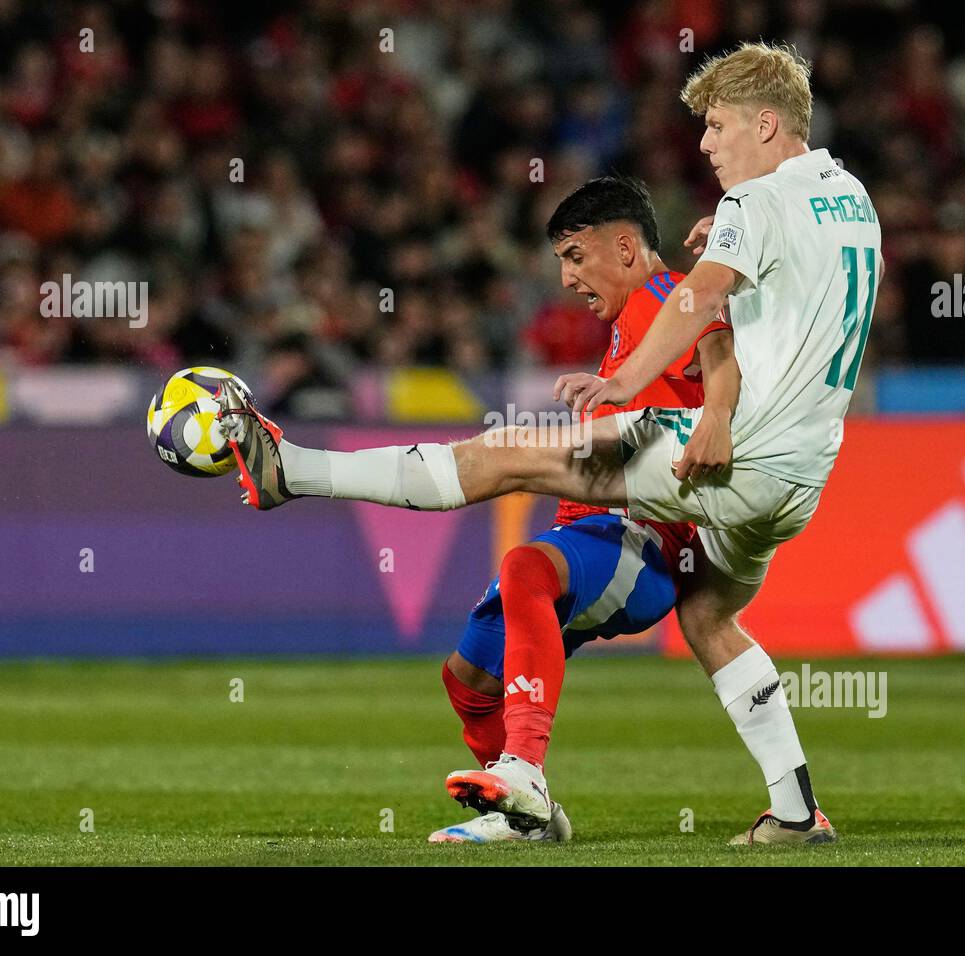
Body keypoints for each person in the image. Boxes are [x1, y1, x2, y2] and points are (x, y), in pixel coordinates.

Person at [220, 42, 879, 846]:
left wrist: (628, 382)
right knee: (709, 616)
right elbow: (774, 291)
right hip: (804, 478)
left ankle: (291, 470)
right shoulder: (850, 200)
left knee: (509, 455)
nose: (705, 145)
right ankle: (794, 812)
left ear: (765, 121)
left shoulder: (748, 213)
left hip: (739, 459)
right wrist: (732, 249)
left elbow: (701, 303)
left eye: (716, 126)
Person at [429, 176, 735, 843]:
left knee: (526, 570)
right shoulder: (634, 320)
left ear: (625, 247)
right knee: (469, 679)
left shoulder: (671, 303)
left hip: (647, 537)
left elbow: (727, 362)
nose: (567, 278)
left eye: (574, 255)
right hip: (594, 534)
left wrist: (719, 415)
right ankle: (525, 819)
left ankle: (526, 773)